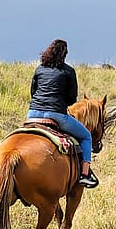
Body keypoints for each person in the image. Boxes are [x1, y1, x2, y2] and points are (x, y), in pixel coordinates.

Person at [26, 39, 99, 188]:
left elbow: (33, 92)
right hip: (56, 115)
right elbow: (72, 98)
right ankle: (85, 174)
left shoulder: (39, 69)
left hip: (32, 114)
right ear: (64, 54)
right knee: (86, 136)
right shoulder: (68, 71)